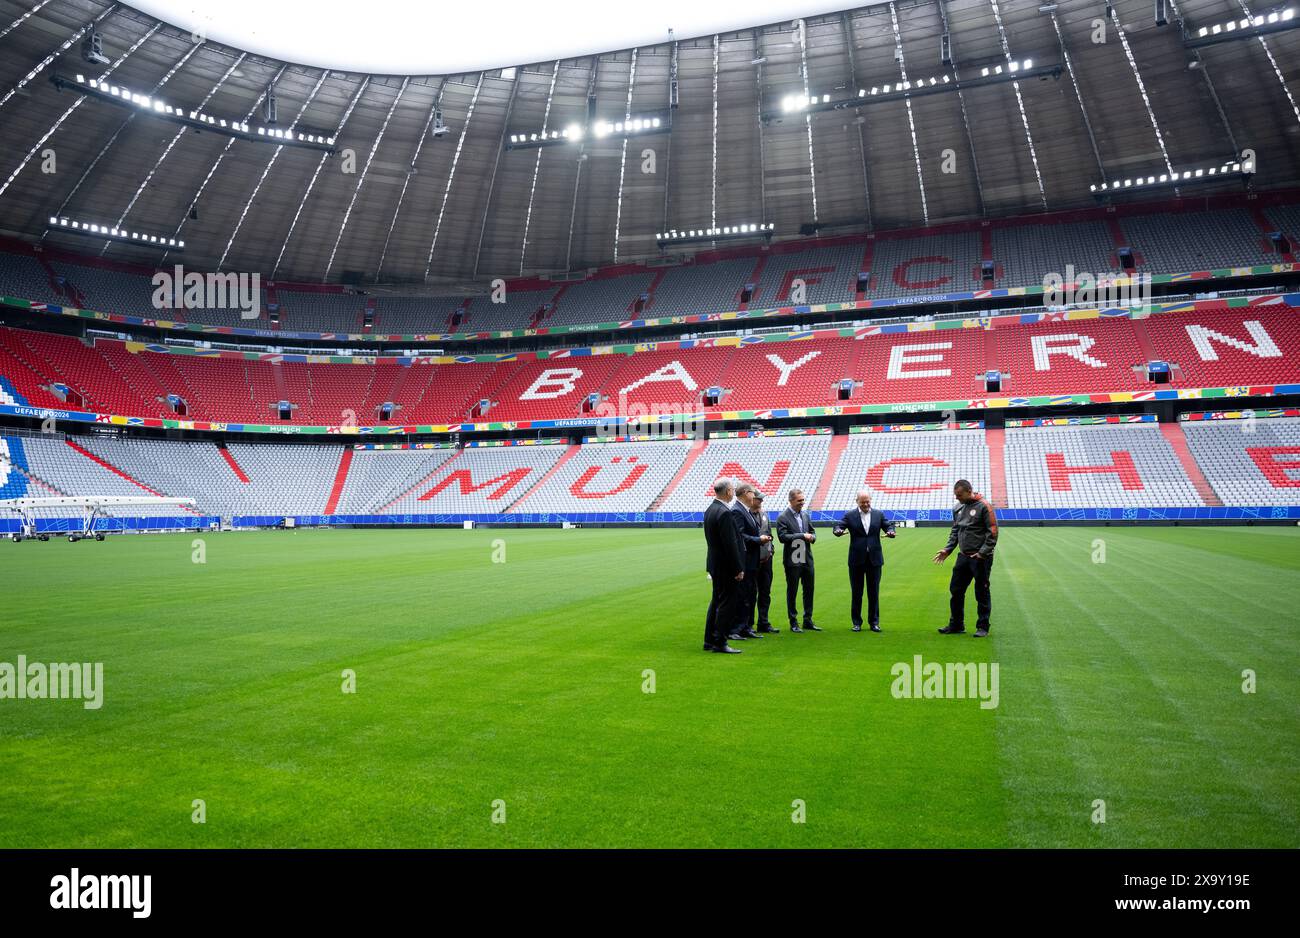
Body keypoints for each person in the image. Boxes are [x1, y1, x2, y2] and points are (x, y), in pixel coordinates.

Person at [932, 479, 998, 637]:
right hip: (963, 556)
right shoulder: (957, 508)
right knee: (956, 590)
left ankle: (983, 626)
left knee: (981, 591)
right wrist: (948, 549)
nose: (957, 498)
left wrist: (982, 553)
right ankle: (956, 624)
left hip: (980, 558)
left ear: (969, 491)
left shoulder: (984, 507)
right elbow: (955, 531)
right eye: (955, 495)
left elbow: (993, 532)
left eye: (959, 495)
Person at [833, 489, 895, 632]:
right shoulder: (850, 515)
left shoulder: (878, 514)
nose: (866, 504)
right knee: (857, 592)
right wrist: (838, 531)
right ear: (857, 502)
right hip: (856, 560)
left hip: (874, 560)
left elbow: (888, 526)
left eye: (867, 501)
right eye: (863, 502)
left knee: (874, 592)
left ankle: (874, 622)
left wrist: (891, 532)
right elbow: (838, 526)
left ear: (870, 500)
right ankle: (856, 622)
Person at [703, 477, 744, 654]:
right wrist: (738, 568)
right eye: (732, 490)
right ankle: (720, 641)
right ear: (728, 491)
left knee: (716, 602)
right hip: (726, 567)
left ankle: (709, 640)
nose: (733, 492)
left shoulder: (710, 510)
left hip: (714, 564)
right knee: (727, 604)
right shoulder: (725, 513)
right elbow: (730, 544)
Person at [730, 483, 771, 640]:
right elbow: (739, 536)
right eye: (753, 494)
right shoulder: (737, 511)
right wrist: (758, 539)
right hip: (746, 560)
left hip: (753, 560)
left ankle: (746, 626)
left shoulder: (743, 510)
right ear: (746, 493)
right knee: (742, 596)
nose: (755, 497)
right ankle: (735, 629)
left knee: (749, 594)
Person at [775, 488, 819, 632]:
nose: (802, 503)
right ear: (791, 500)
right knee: (792, 590)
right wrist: (801, 536)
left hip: (807, 557)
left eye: (803, 500)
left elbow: (812, 531)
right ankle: (793, 621)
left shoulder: (805, 515)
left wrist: (812, 537)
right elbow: (782, 537)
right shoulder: (783, 517)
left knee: (809, 589)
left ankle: (808, 619)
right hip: (793, 558)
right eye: (799, 500)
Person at [748, 491, 778, 634]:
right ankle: (749, 624)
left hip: (766, 560)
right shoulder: (745, 515)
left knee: (765, 592)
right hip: (752, 560)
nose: (761, 501)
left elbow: (770, 532)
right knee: (751, 594)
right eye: (758, 499)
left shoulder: (765, 514)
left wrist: (771, 549)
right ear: (751, 499)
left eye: (761, 499)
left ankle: (763, 622)